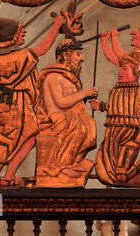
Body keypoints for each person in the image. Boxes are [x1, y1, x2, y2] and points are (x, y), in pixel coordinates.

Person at [0, 17, 61, 184]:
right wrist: (56, 26)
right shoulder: (19, 57)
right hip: (17, 103)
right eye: (20, 31)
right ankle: (8, 176)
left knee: (3, 138)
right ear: (11, 36)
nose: (24, 32)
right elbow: (43, 48)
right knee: (28, 138)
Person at [101, 23, 140, 171]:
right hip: (138, 91)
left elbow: (119, 53)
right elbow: (113, 57)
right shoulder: (132, 59)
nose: (134, 33)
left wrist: (114, 37)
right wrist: (105, 41)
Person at [36, 39, 99, 186]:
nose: (82, 58)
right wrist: (84, 93)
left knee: (89, 127)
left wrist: (85, 98)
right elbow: (61, 103)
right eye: (78, 54)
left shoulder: (68, 78)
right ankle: (60, 167)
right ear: (66, 55)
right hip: (56, 120)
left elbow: (73, 103)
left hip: (68, 117)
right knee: (77, 126)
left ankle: (72, 161)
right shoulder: (53, 76)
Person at [95, 54, 140, 186]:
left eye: (125, 69)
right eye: (121, 69)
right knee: (104, 171)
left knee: (121, 175)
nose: (120, 72)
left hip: (132, 132)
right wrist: (100, 106)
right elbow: (113, 107)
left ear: (136, 72)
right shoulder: (115, 90)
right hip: (112, 134)